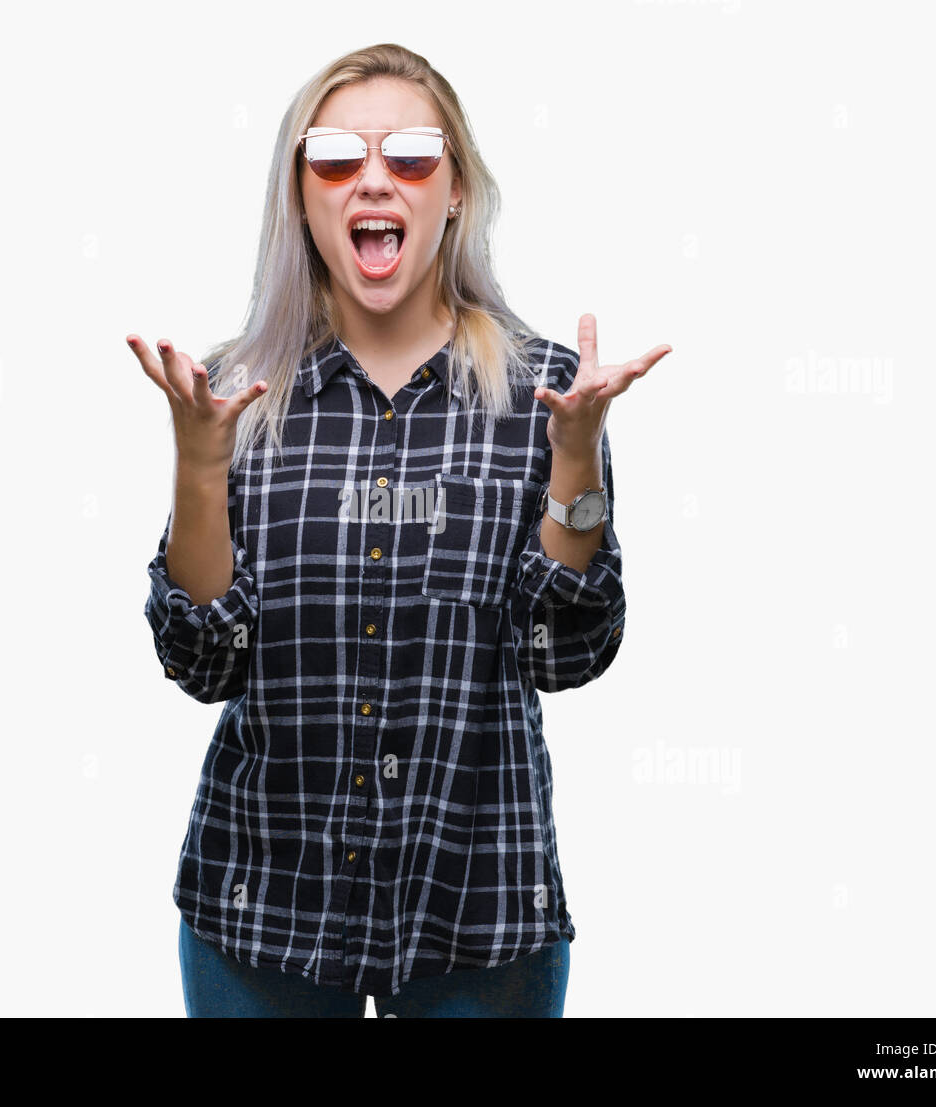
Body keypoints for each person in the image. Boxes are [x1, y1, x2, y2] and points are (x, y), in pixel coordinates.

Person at [129, 42, 670, 1018]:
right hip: (261, 925)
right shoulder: (236, 395)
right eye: (335, 157)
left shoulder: (544, 390)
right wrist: (200, 471)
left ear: (456, 191)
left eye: (412, 155)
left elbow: (566, 654)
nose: (373, 177)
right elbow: (206, 663)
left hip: (481, 918)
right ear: (301, 197)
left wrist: (578, 457)